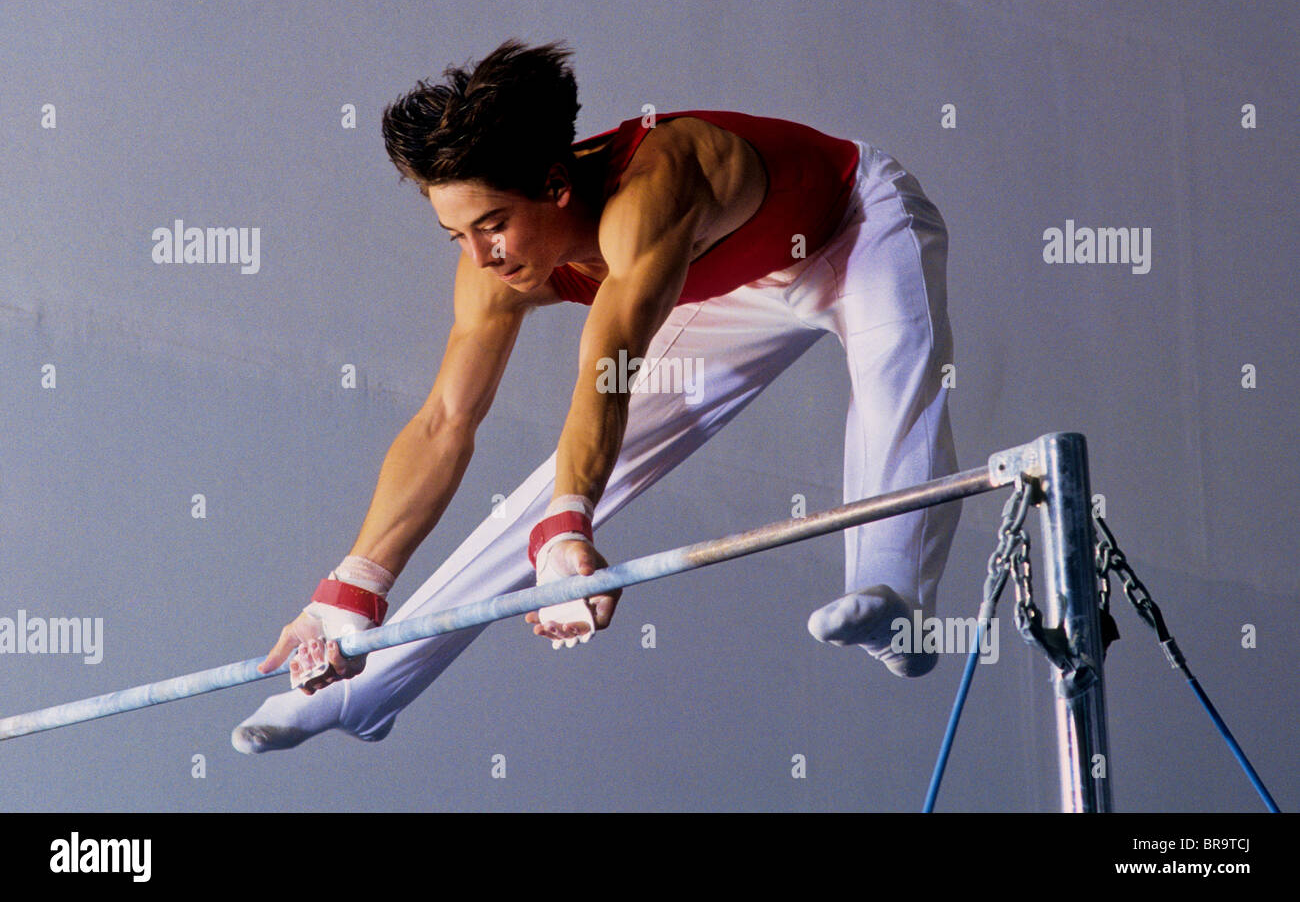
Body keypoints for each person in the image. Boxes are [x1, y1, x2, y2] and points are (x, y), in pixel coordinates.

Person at [232, 38, 961, 754]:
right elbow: (445, 421)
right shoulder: (489, 267)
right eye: (455, 235)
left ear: (554, 184)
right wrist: (353, 586)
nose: (483, 257)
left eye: (493, 226)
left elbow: (607, 367)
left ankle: (895, 599)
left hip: (853, 226)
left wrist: (567, 534)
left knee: (895, 360)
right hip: (739, 289)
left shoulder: (652, 191)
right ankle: (367, 691)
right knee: (555, 490)